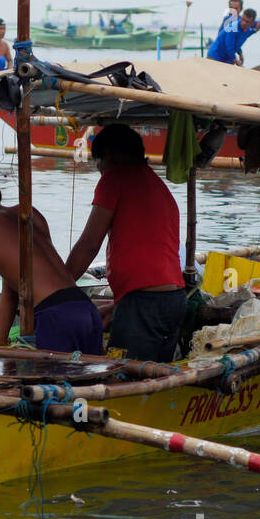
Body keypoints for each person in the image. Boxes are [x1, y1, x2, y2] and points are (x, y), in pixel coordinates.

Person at [0, 170, 103, 354]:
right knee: (87, 379)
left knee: (53, 382)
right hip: (85, 308)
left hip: (54, 316)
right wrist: (0, 335)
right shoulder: (30, 214)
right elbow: (13, 283)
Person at [65, 124, 186, 362]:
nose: (100, 171)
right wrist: (119, 305)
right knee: (153, 375)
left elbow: (89, 244)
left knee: (123, 373)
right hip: (172, 298)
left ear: (108, 155)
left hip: (145, 302)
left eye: (99, 163)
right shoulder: (156, 184)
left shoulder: (115, 177)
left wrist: (60, 285)